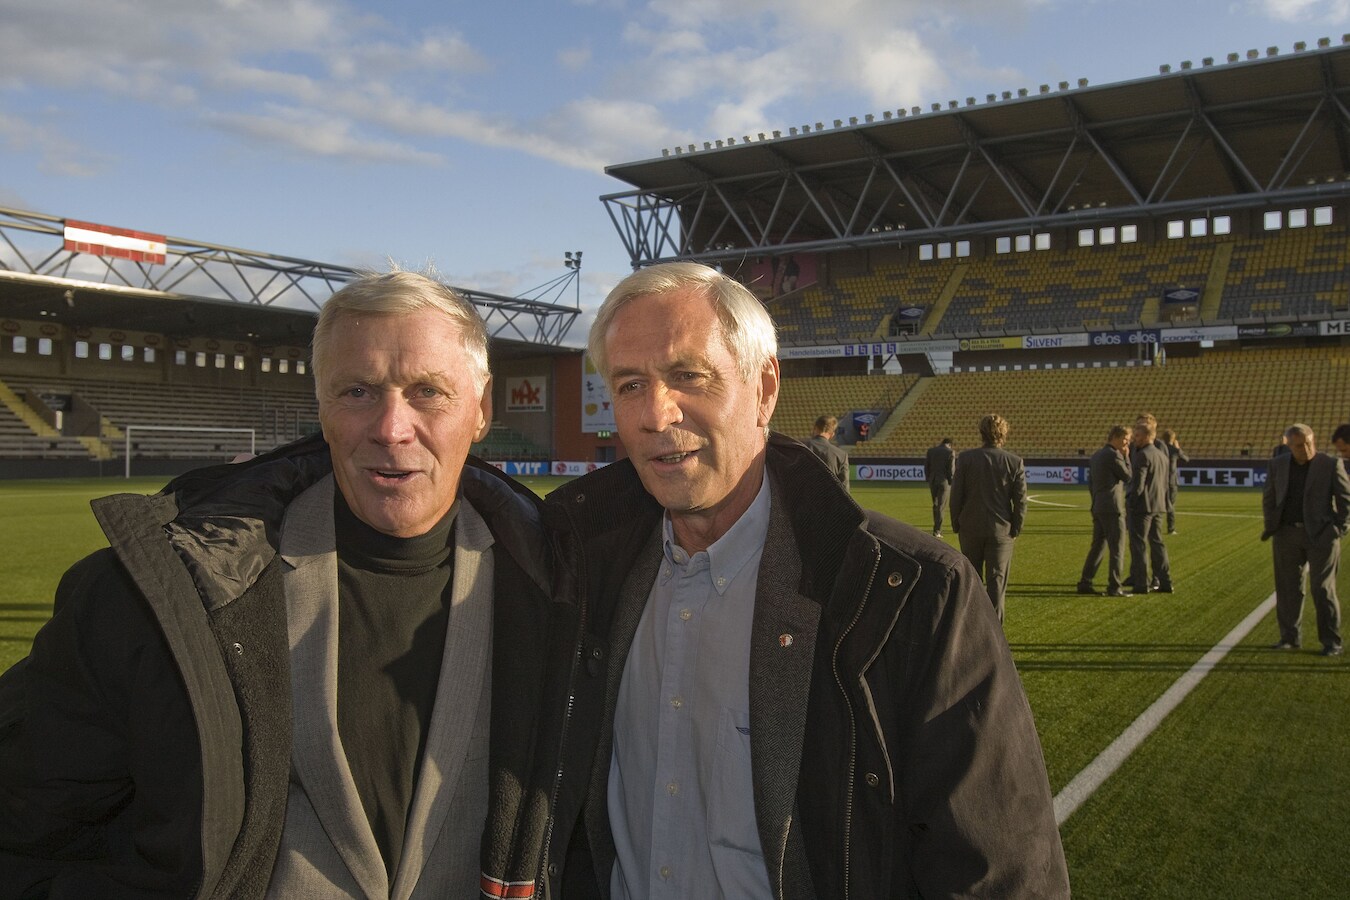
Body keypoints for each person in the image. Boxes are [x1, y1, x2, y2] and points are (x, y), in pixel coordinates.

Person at [0, 271, 578, 898]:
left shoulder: (561, 592)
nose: (391, 427)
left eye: (428, 392)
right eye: (357, 391)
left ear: (482, 407)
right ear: (322, 406)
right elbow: (25, 829)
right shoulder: (156, 596)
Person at [546, 262, 1068, 898]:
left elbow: (999, 872)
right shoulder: (575, 574)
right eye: (630, 385)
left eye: (689, 376)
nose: (656, 413)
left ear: (765, 388)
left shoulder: (917, 595)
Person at [1262, 424, 1350, 655]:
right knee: (1288, 588)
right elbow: (1269, 498)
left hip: (1322, 535)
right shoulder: (1277, 465)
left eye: (1310, 442)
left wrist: (1338, 529)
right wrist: (1273, 526)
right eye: (1300, 445)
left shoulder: (1330, 464)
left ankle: (1331, 642)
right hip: (1286, 535)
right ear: (1288, 445)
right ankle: (1289, 637)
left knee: (1322, 589)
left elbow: (1345, 500)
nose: (1306, 448)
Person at [950, 413, 1028, 622]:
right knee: (997, 584)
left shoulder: (966, 459)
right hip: (1000, 531)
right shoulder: (1014, 462)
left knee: (971, 583)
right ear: (1004, 433)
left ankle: (970, 628)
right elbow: (1020, 501)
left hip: (970, 528)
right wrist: (1015, 529)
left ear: (981, 433)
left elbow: (956, 495)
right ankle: (995, 637)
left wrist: (956, 523)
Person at [1078, 425, 1133, 597]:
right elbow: (1128, 476)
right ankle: (1114, 586)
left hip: (1098, 506)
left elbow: (1091, 484)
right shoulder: (1114, 455)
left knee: (1098, 546)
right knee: (1117, 548)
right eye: (1125, 439)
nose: (1127, 443)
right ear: (1116, 437)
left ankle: (1085, 582)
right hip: (1112, 507)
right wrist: (1126, 458)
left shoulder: (1096, 456)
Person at [1127, 415, 1173, 594]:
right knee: (1157, 543)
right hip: (1158, 505)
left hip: (1143, 507)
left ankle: (1141, 583)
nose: (1134, 440)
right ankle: (1165, 581)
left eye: (1137, 436)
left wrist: (1131, 502)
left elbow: (1138, 484)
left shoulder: (1143, 456)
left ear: (1146, 436)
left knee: (1138, 545)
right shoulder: (1162, 455)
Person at [806, 413, 849, 488]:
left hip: (804, 498)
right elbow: (844, 487)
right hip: (829, 498)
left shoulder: (801, 447)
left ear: (815, 428)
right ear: (832, 434)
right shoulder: (841, 455)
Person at [925, 436, 956, 536]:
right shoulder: (950, 452)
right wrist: (951, 482)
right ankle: (937, 530)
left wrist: (928, 478)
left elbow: (926, 466)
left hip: (933, 480)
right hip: (944, 481)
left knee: (935, 504)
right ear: (950, 444)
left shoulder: (931, 451)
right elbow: (951, 469)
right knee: (941, 506)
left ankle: (936, 528)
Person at [1160, 428, 1189, 534]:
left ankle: (1154, 527)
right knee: (1171, 505)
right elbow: (1186, 459)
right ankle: (1171, 528)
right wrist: (1178, 448)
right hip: (1171, 481)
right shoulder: (1174, 450)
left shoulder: (1159, 449)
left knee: (1156, 504)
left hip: (1160, 480)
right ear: (1173, 439)